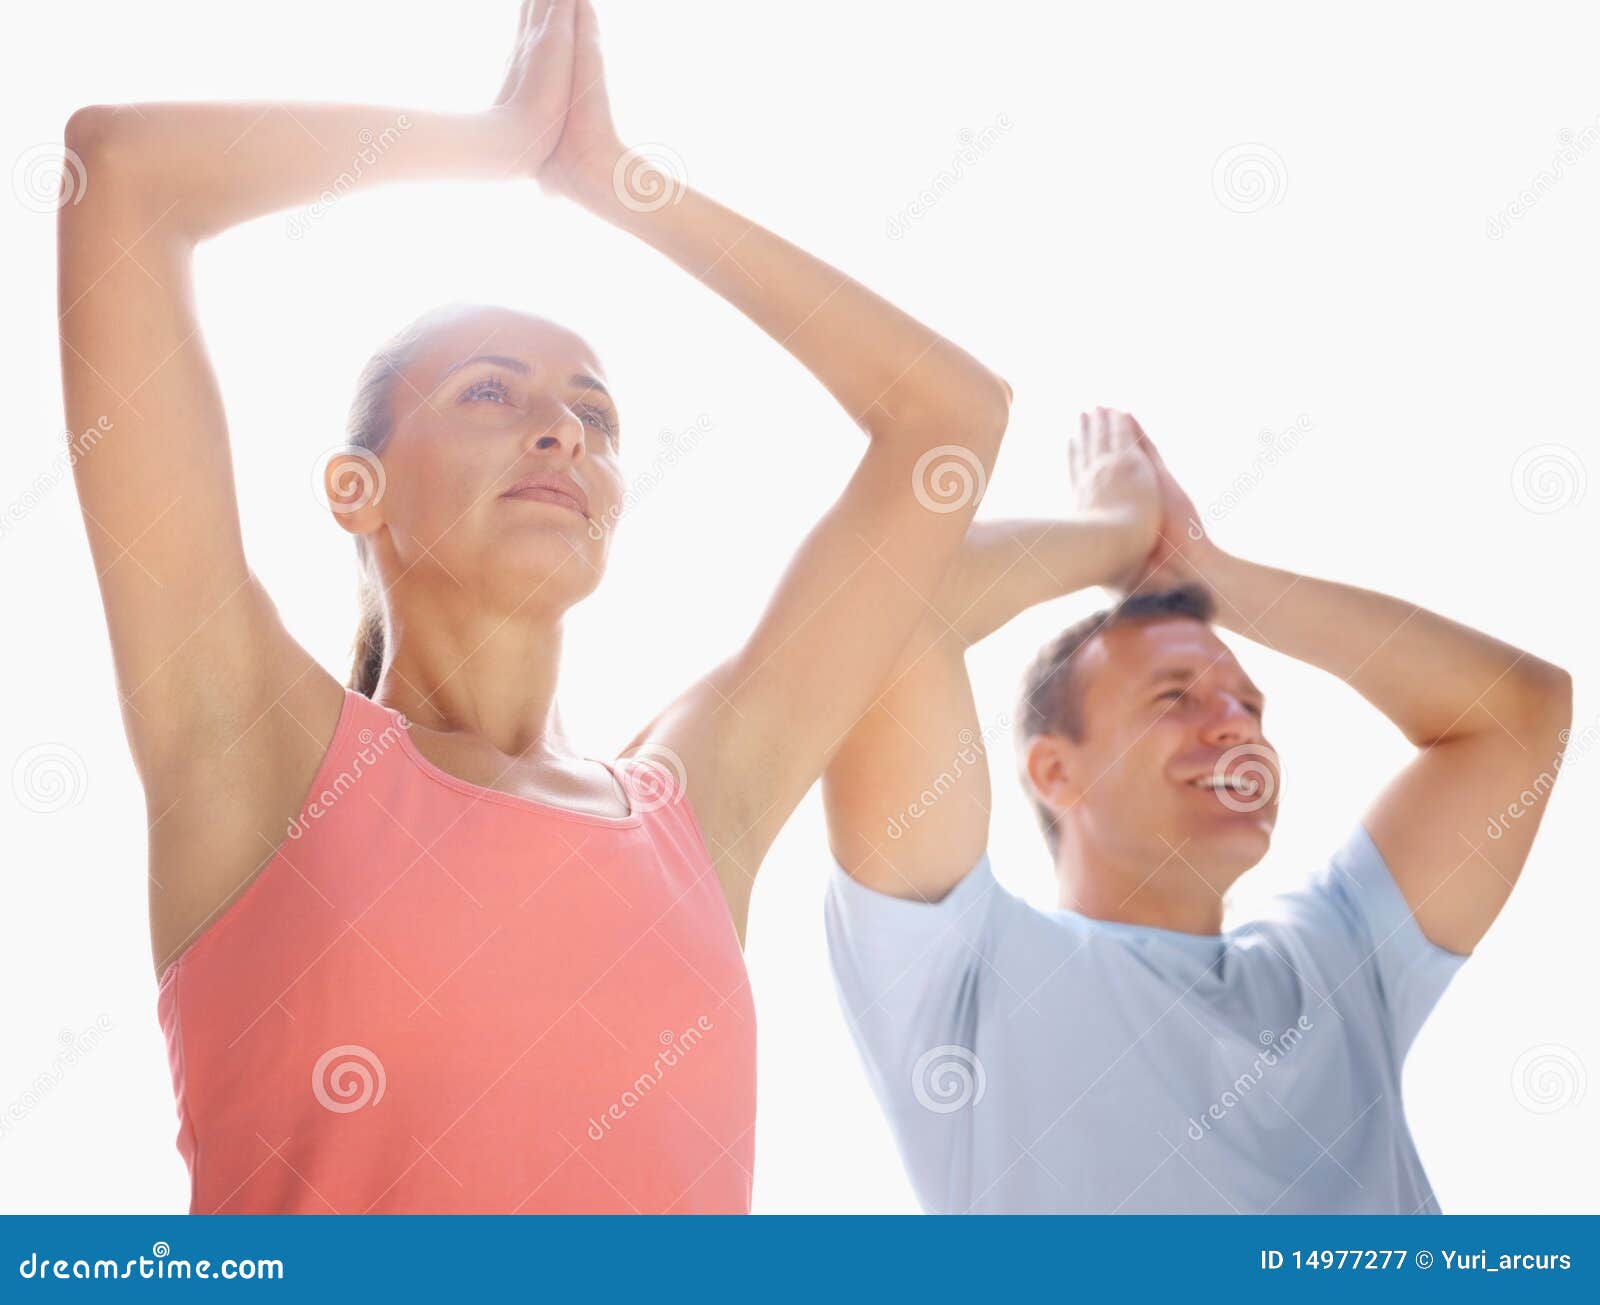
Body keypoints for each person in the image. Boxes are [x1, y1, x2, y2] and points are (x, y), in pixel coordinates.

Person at [57, 0, 1011, 1213]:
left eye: (595, 415)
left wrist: (618, 184)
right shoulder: (254, 751)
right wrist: (501, 138)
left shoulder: (694, 807)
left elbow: (948, 421)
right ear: (358, 490)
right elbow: (122, 174)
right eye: (490, 392)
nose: (560, 427)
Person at [823, 408, 1572, 1213]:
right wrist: (1112, 533)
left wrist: (1199, 572)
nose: (1234, 725)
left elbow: (1520, 716)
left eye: (1250, 706)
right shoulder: (965, 971)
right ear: (1053, 769)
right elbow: (885, 601)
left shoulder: (1336, 967)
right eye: (1175, 696)